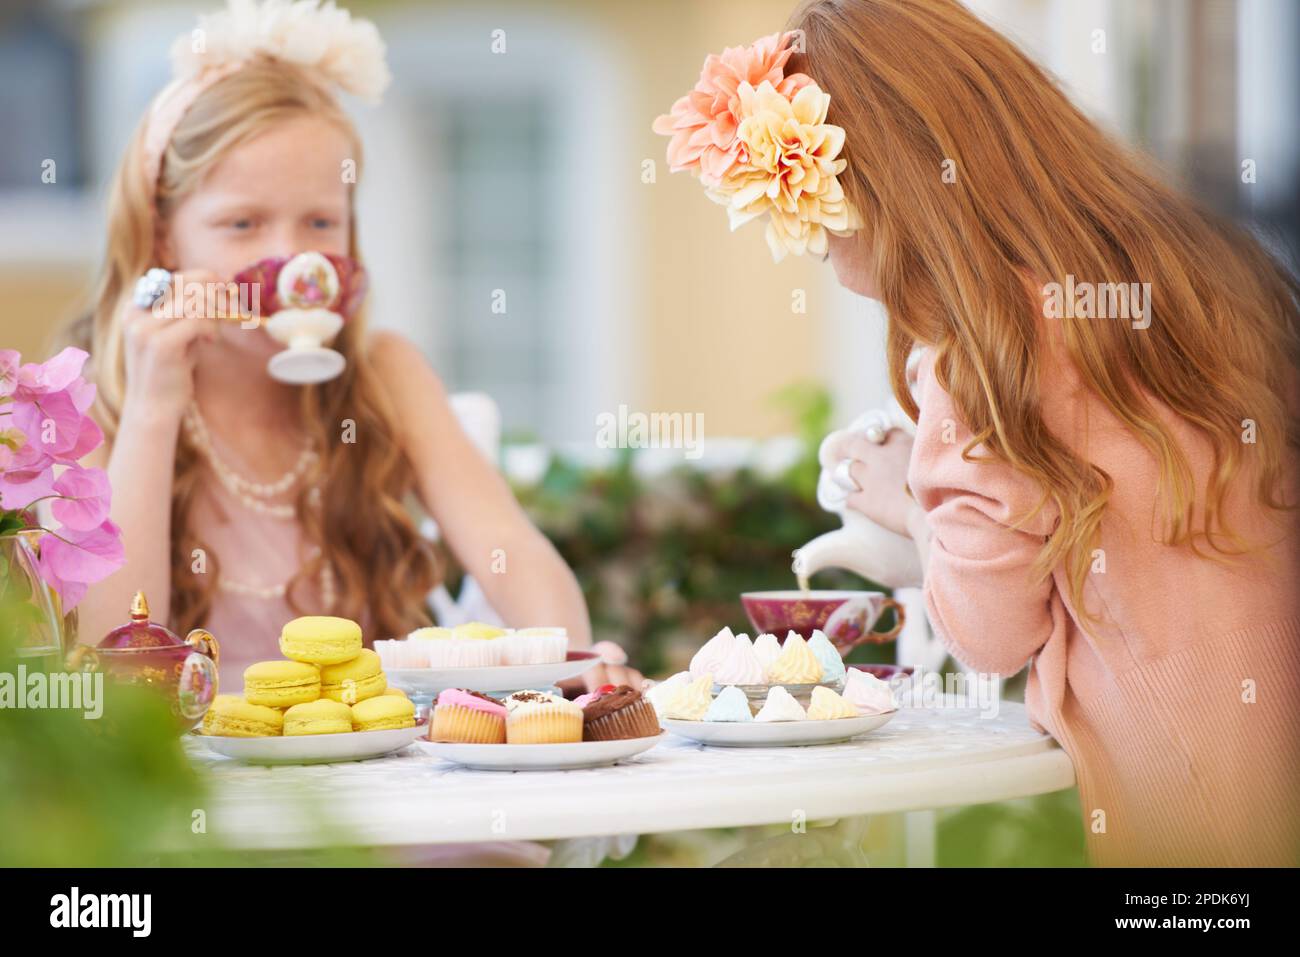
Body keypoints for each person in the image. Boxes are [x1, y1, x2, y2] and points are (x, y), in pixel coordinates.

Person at [656, 1, 1298, 865]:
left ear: (875, 180)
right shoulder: (1192, 276)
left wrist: (903, 501)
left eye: (791, 197)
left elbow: (987, 630)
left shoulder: (985, 350)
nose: (791, 233)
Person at [67, 0, 641, 696]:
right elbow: (111, 651)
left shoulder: (384, 378)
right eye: (242, 223)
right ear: (163, 236)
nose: (290, 258)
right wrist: (156, 407)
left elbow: (511, 550)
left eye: (320, 221)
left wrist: (574, 662)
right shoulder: (94, 401)